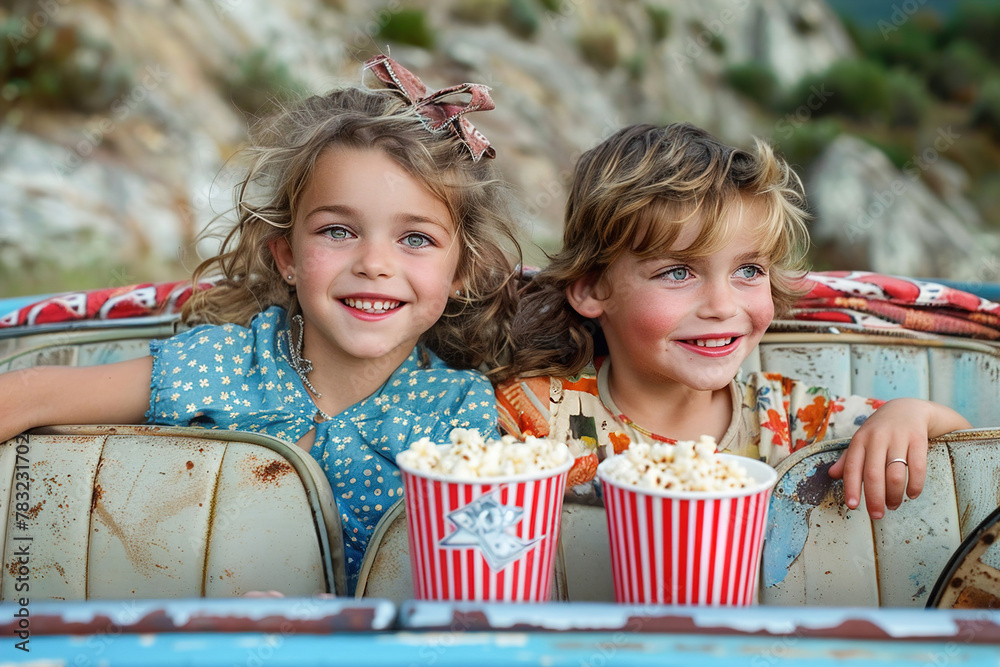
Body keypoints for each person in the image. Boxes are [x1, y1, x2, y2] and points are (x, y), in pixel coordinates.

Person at [0, 55, 522, 593]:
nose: (374, 263)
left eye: (416, 239)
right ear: (286, 256)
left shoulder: (457, 414)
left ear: (463, 271)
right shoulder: (221, 365)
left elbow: (481, 584)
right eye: (338, 230)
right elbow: (28, 394)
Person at [495, 123, 970, 518]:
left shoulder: (787, 419)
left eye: (749, 270)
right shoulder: (536, 417)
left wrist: (909, 413)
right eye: (678, 272)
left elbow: (963, 442)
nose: (722, 305)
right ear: (592, 289)